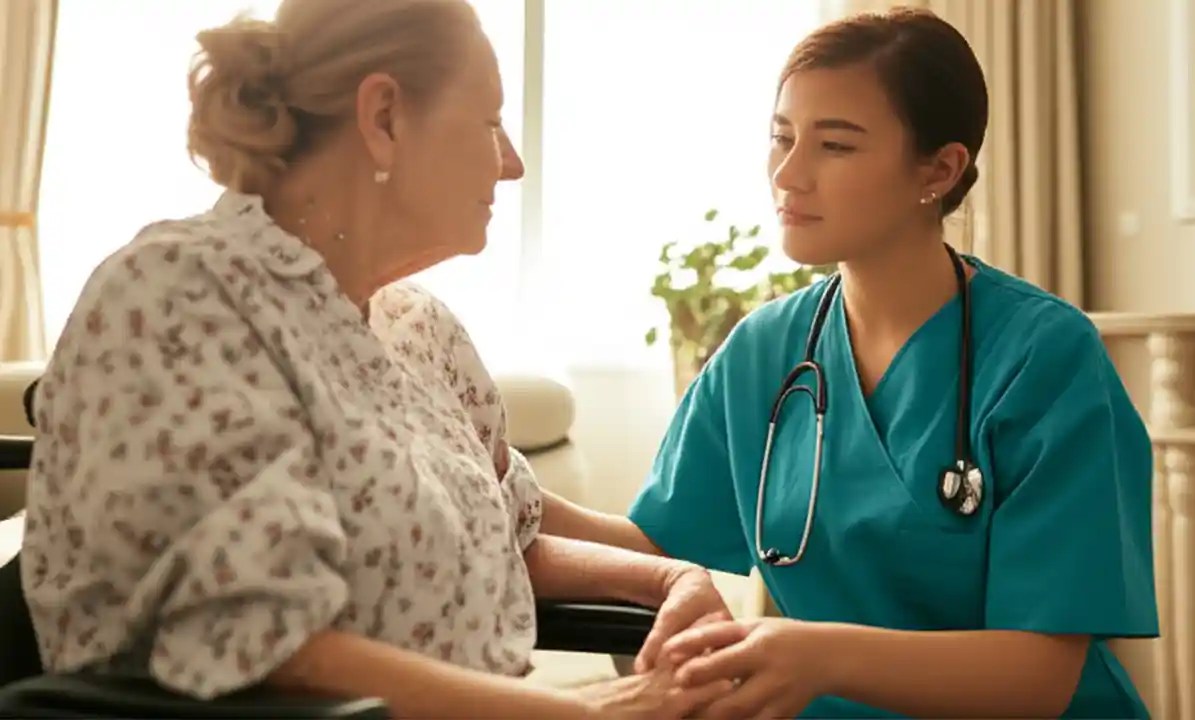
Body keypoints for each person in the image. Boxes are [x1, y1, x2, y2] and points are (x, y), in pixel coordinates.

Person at [19, 1, 736, 718]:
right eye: (489, 122)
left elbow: (511, 532)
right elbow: (270, 649)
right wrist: (602, 712)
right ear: (384, 117)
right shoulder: (179, 295)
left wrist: (670, 578)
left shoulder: (416, 325)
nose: (511, 163)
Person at [540, 8, 1159, 719]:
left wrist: (820, 654)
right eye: (782, 137)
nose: (789, 173)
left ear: (940, 168)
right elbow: (655, 540)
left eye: (835, 145)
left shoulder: (1043, 357)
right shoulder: (762, 352)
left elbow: (1038, 675)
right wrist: (501, 486)